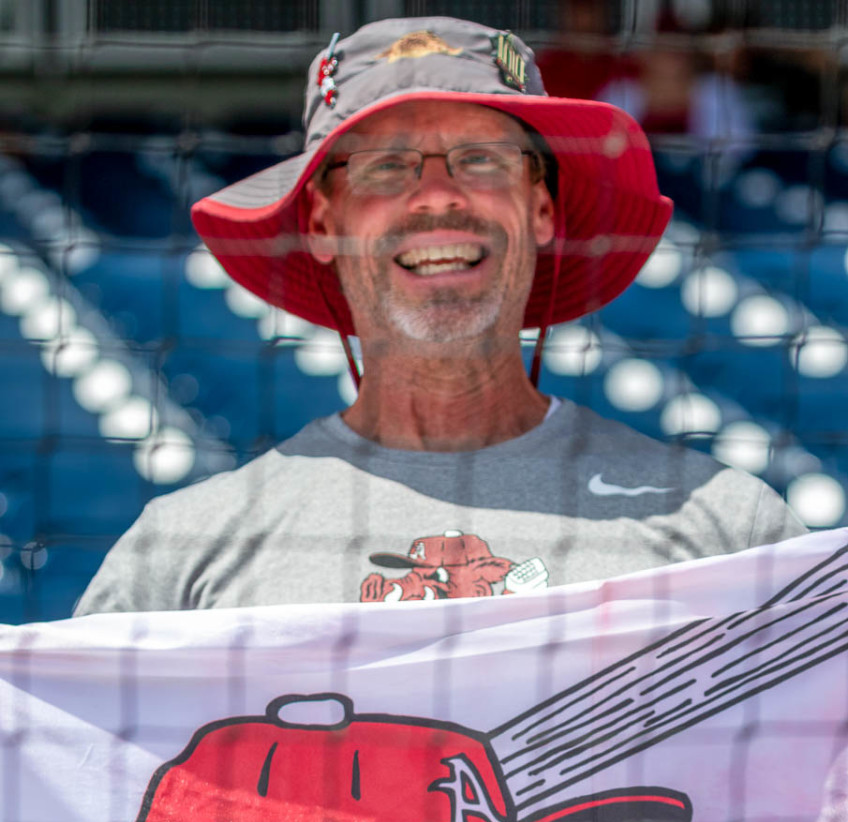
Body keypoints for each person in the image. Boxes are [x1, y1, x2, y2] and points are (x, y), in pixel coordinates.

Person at [75, 16, 804, 616]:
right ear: (323, 223)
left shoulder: (728, 535)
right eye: (386, 166)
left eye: (481, 159)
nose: (437, 196)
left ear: (542, 208)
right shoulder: (177, 562)